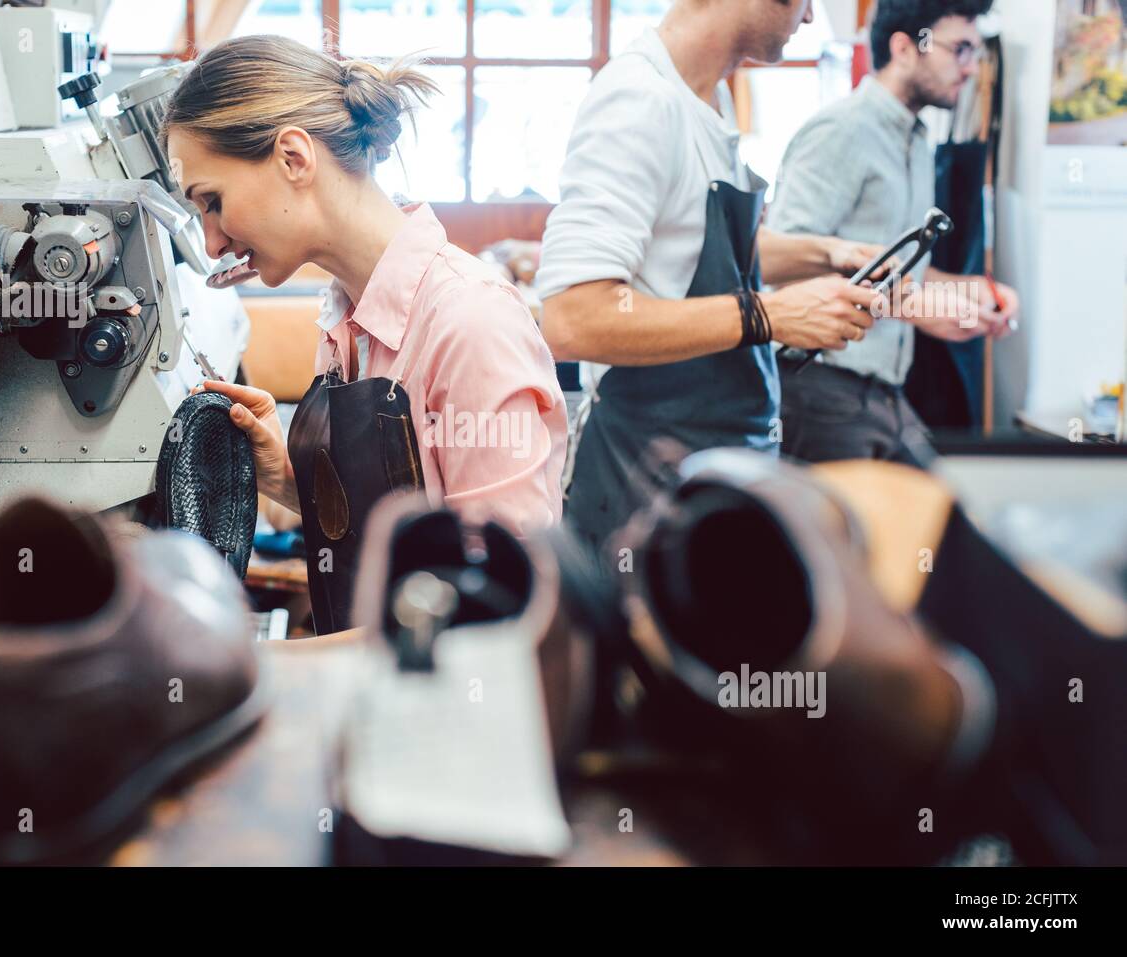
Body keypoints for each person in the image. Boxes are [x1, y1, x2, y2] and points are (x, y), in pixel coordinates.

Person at [161, 35, 567, 632]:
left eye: (213, 202)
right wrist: (287, 479)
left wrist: (263, 668)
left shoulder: (469, 322)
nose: (213, 242)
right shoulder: (347, 317)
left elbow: (496, 614)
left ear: (294, 158)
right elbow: (414, 517)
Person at [537, 0, 889, 557]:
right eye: (806, 2)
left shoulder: (710, 96)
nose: (808, 19)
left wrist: (830, 253)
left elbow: (705, 251)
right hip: (640, 482)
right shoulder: (640, 100)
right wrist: (770, 316)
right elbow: (572, 317)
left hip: (714, 468)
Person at [768, 0, 1019, 466]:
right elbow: (783, 271)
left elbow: (903, 276)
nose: (969, 69)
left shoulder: (917, 140)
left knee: (940, 511)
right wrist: (920, 311)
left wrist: (977, 292)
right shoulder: (842, 130)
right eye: (959, 50)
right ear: (905, 48)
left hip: (881, 391)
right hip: (822, 390)